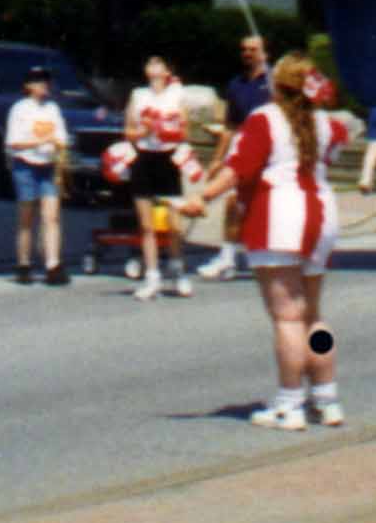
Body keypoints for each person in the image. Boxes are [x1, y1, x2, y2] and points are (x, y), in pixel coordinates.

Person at [186, 49, 343, 429]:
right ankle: (327, 397)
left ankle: (290, 403)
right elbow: (331, 157)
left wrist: (202, 197)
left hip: (279, 216)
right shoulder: (329, 124)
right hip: (321, 215)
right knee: (313, 315)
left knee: (287, 317)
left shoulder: (264, 121)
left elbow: (236, 169)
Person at [200, 34, 274, 280]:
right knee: (233, 203)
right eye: (244, 49)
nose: (247, 53)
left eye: (253, 49)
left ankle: (269, 256)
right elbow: (230, 126)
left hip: (271, 150)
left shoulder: (275, 82)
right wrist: (217, 159)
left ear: (265, 53)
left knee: (266, 204)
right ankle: (227, 257)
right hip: (243, 148)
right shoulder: (236, 85)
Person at [123, 53, 195, 300]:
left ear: (167, 71)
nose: (153, 66)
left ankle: (177, 271)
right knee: (146, 224)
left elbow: (185, 127)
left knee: (173, 223)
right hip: (143, 158)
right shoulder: (138, 95)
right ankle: (152, 275)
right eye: (149, 62)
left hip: (168, 158)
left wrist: (169, 130)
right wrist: (141, 131)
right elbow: (128, 131)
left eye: (158, 63)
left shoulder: (177, 94)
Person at [4, 62, 71, 285]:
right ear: (28, 85)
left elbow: (61, 136)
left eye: (45, 81)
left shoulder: (52, 109)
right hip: (26, 166)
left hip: (48, 166)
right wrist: (41, 140)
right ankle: (23, 263)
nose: (44, 85)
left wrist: (59, 145)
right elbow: (13, 143)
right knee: (26, 217)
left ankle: (53, 264)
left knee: (51, 216)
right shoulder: (20, 109)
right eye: (38, 81)